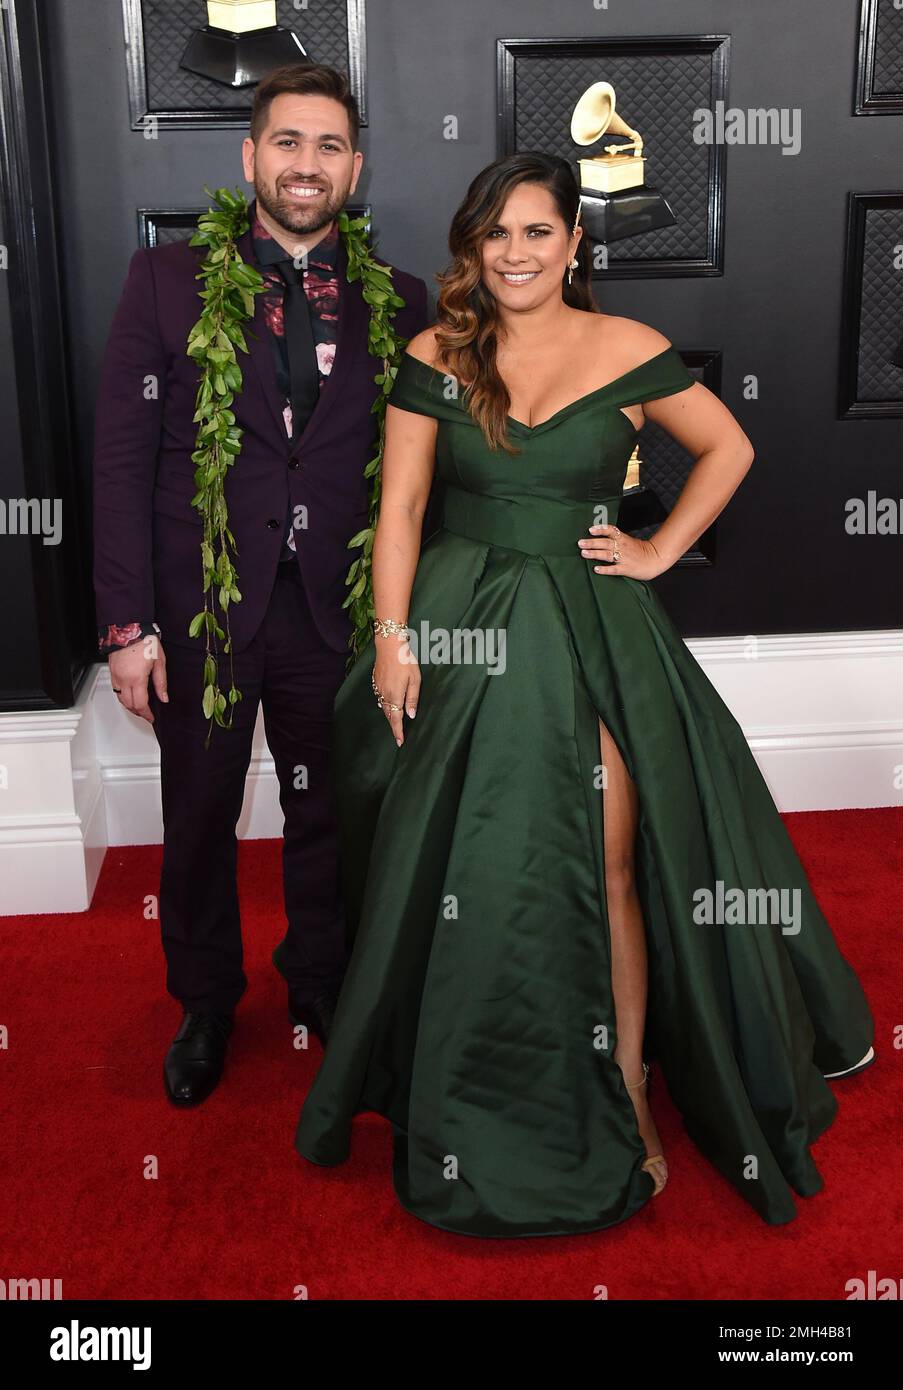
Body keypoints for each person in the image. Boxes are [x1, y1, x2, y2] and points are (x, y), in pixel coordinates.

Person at [290, 152, 876, 1238]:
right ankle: (453, 1084)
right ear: (474, 247)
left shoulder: (632, 351)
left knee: (607, 859)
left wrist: (657, 552)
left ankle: (629, 1091)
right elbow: (405, 509)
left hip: (592, 625)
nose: (515, 253)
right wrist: (391, 636)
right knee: (462, 863)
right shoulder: (435, 352)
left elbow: (730, 446)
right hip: (460, 625)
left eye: (537, 231)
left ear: (574, 242)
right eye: (495, 234)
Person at [92, 64, 430, 1106]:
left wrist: (398, 622)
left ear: (354, 168)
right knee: (196, 811)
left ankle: (319, 982)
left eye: (329, 147)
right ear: (250, 159)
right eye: (288, 143)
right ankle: (204, 1001)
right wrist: (125, 624)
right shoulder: (163, 281)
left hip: (330, 607)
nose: (306, 165)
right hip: (202, 606)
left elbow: (413, 477)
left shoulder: (400, 299)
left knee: (324, 810)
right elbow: (120, 456)